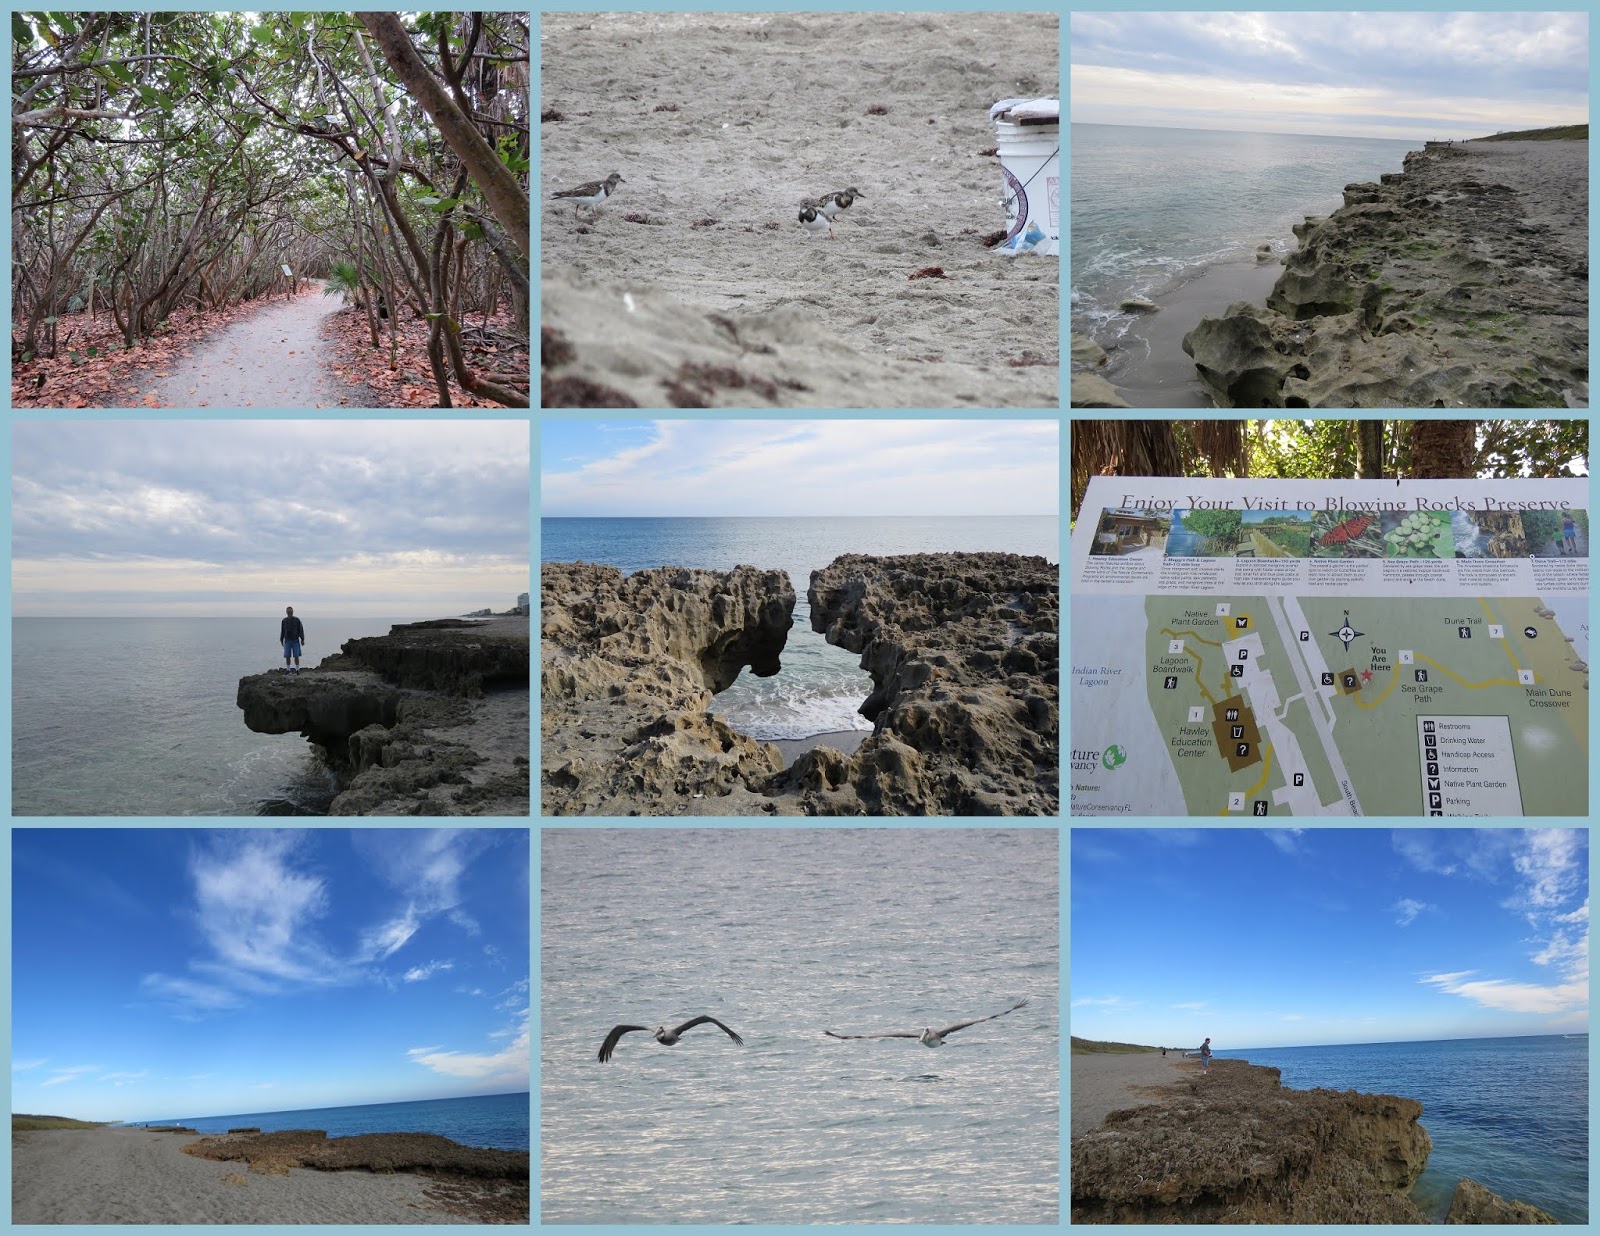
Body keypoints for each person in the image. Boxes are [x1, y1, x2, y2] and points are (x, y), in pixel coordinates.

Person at [280, 605, 306, 673]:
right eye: (288, 612)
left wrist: (302, 639)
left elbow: (301, 630)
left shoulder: (297, 620)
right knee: (287, 656)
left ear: (293, 612)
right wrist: (281, 639)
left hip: (295, 641)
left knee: (296, 655)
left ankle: (297, 669)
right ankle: (288, 669)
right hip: (287, 641)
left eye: (291, 612)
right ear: (286, 612)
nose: (289, 613)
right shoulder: (284, 621)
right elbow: (282, 631)